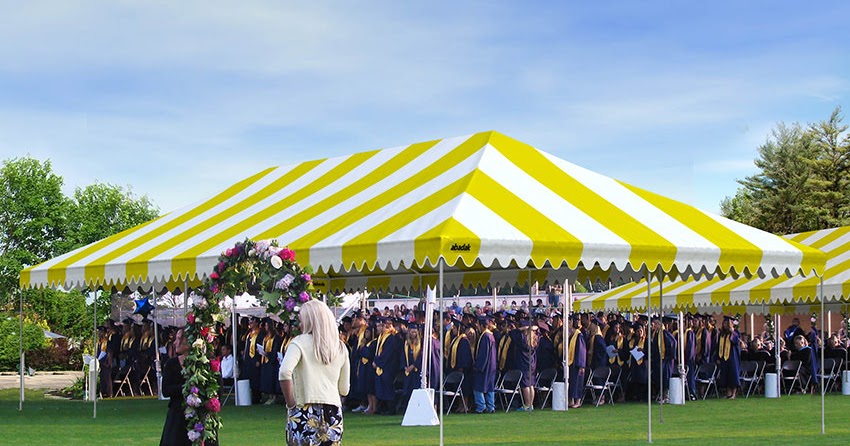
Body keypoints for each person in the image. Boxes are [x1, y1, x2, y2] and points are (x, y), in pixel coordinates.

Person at [279, 299, 350, 446]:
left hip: (304, 408)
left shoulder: (298, 342)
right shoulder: (341, 347)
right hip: (332, 411)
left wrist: (290, 403)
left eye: (301, 320)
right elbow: (344, 389)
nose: (299, 325)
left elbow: (284, 372)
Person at [160, 328, 191, 446]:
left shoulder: (206, 363)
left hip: (199, 417)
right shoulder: (171, 364)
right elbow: (166, 390)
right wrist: (186, 388)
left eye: (178, 339)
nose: (175, 343)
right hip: (177, 417)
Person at [472, 315, 497, 414]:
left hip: (485, 366)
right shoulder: (491, 335)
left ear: (482, 326)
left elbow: (484, 353)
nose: (477, 327)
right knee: (490, 386)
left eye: (478, 325)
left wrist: (478, 366)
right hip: (492, 365)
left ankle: (481, 406)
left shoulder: (486, 336)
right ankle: (491, 407)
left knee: (478, 386)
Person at [718, 316, 741, 399]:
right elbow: (718, 346)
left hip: (733, 358)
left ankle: (734, 394)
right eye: (724, 323)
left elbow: (735, 341)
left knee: (733, 375)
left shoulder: (736, 332)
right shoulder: (722, 334)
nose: (725, 325)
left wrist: (732, 332)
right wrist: (718, 357)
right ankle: (728, 393)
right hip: (723, 357)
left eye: (727, 323)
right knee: (725, 375)